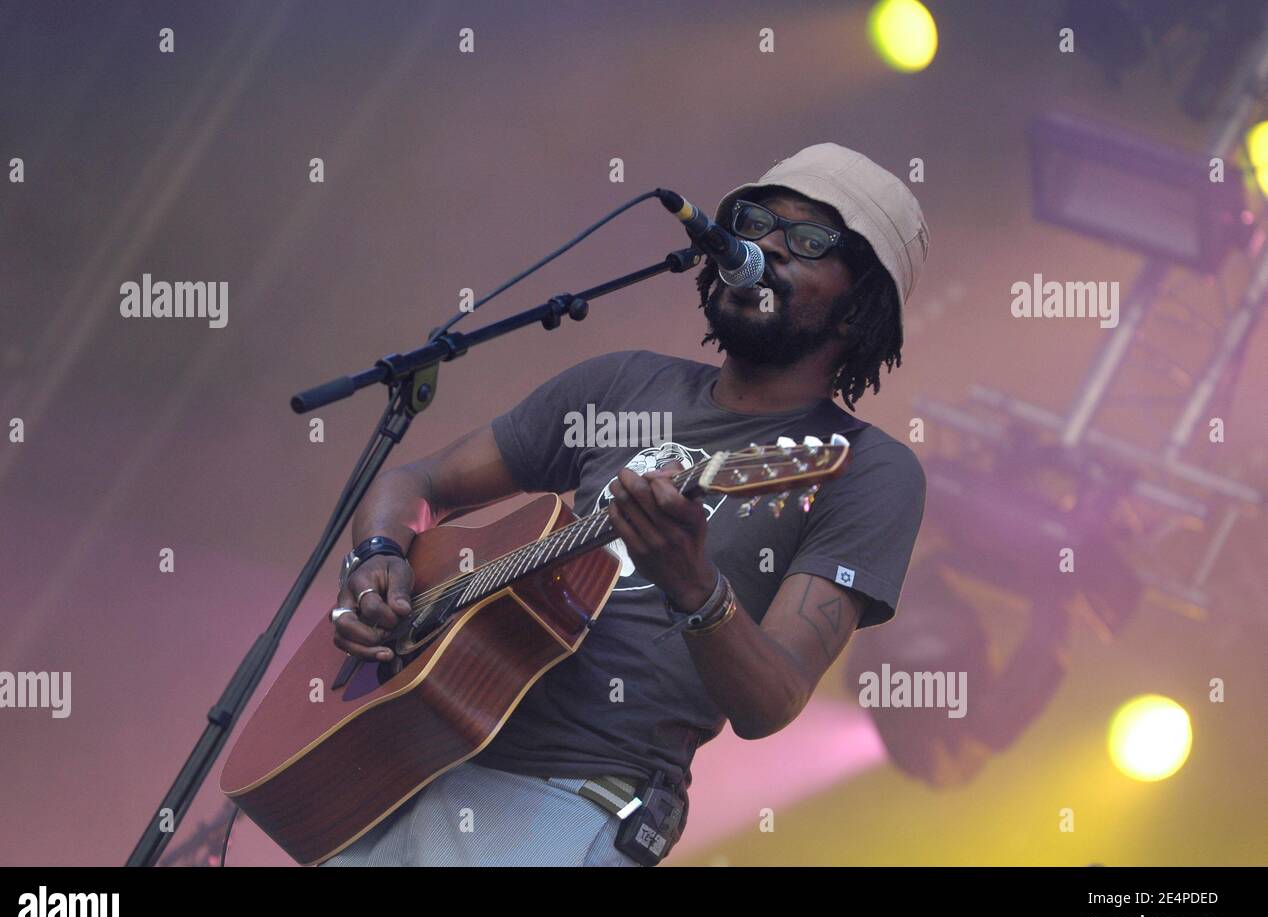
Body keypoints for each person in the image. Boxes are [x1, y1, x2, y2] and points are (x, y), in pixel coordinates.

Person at [320, 143, 931, 866]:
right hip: (409, 751)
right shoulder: (620, 386)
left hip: (568, 799)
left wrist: (694, 588)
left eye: (807, 241)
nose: (764, 246)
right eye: (755, 221)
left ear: (861, 304)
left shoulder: (867, 470)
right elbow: (416, 483)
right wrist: (379, 557)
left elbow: (771, 701)